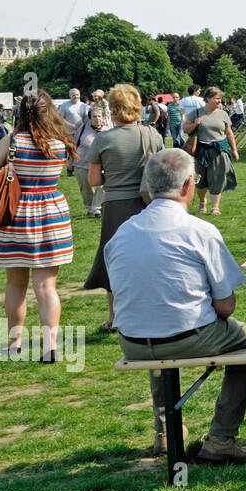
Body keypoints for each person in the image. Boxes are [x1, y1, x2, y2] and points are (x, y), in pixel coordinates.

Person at [108, 149, 246, 462]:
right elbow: (227, 306)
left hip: (133, 341)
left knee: (158, 321)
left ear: (146, 186)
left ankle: (164, 431)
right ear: (189, 184)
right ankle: (221, 437)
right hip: (187, 337)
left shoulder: (121, 233)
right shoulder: (200, 231)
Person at [0, 91, 75, 361]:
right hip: (52, 212)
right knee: (47, 286)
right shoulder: (60, 142)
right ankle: (50, 347)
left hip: (17, 213)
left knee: (15, 285)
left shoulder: (14, 140)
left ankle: (14, 343)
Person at [84, 84, 165, 332]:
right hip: (148, 203)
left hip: (116, 205)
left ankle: (115, 317)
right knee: (151, 255)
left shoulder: (103, 139)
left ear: (112, 109)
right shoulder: (153, 135)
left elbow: (94, 181)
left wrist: (116, 177)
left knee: (115, 260)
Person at [182, 86, 240, 216]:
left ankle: (215, 207)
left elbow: (229, 133)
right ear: (208, 98)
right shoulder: (196, 113)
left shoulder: (223, 114)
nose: (220, 101)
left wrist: (234, 150)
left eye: (220, 99)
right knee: (201, 181)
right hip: (201, 151)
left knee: (217, 178)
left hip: (219, 151)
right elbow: (185, 129)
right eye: (217, 98)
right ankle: (202, 201)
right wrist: (195, 124)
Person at [70, 104, 106, 218]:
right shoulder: (83, 128)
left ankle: (97, 209)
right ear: (90, 118)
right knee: (86, 189)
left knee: (102, 187)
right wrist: (70, 161)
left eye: (99, 116)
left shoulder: (108, 130)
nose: (97, 119)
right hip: (83, 163)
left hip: (103, 164)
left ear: (103, 117)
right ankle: (90, 208)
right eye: (94, 116)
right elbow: (74, 144)